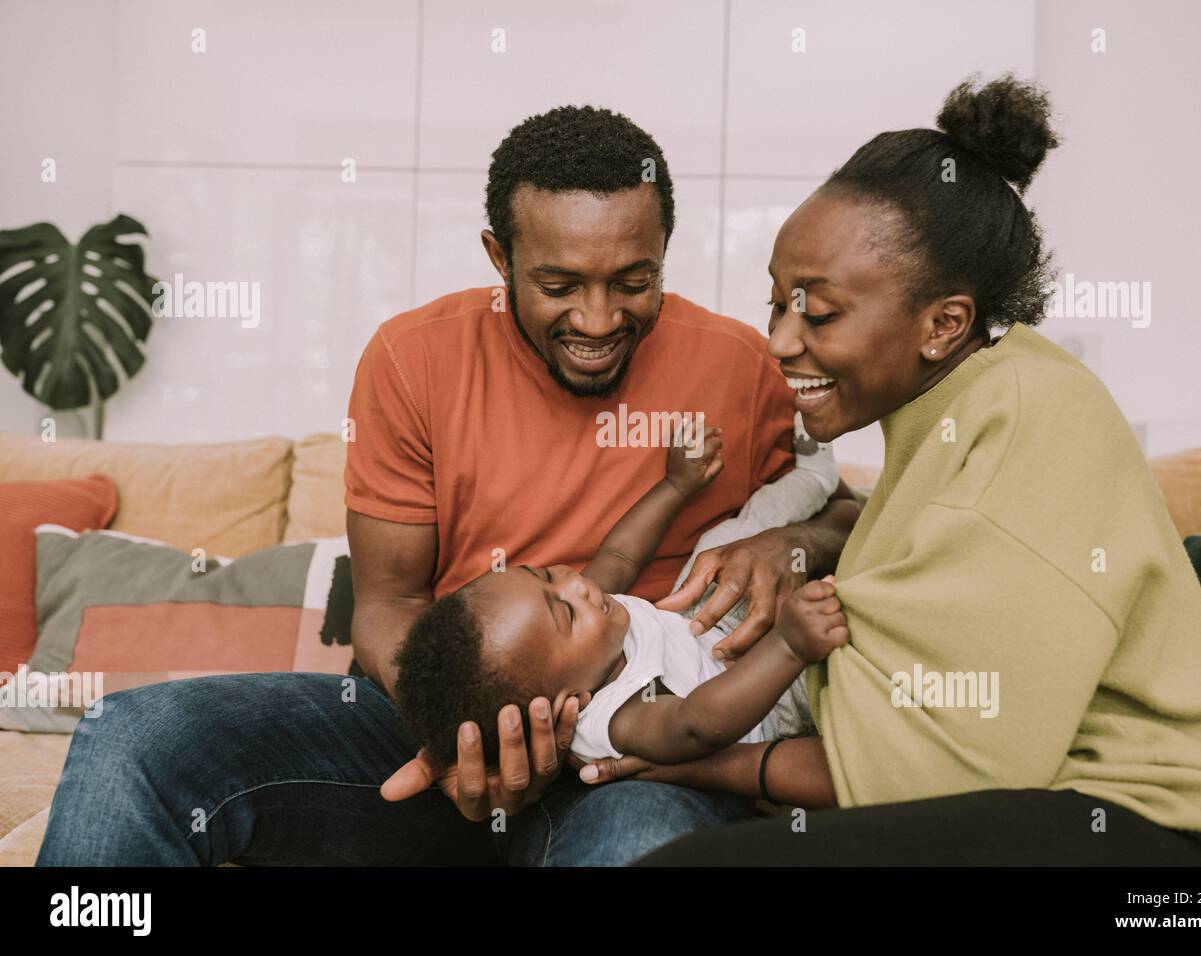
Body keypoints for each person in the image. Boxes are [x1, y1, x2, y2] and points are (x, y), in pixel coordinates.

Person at [35, 105, 861, 867]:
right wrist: (471, 739)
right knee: (133, 737)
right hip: (453, 719)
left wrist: (786, 542)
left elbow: (856, 514)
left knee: (637, 844)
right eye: (560, 285)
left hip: (648, 754)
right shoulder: (413, 360)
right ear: (500, 258)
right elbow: (387, 607)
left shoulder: (743, 365)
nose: (601, 319)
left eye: (634, 281)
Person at [581, 75, 1201, 867]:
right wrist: (802, 542)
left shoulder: (1023, 418)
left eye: (817, 312)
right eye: (776, 306)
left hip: (1154, 842)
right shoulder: (962, 408)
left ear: (944, 323)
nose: (781, 342)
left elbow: (933, 772)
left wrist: (696, 755)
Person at [393, 419, 836, 772]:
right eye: (565, 613)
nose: (576, 584)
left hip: (710, 626)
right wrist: (788, 645)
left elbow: (621, 555)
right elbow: (698, 724)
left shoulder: (591, 616)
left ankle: (815, 478)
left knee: (721, 546)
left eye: (545, 574)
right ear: (570, 701)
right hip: (764, 704)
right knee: (829, 672)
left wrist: (676, 486)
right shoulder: (614, 717)